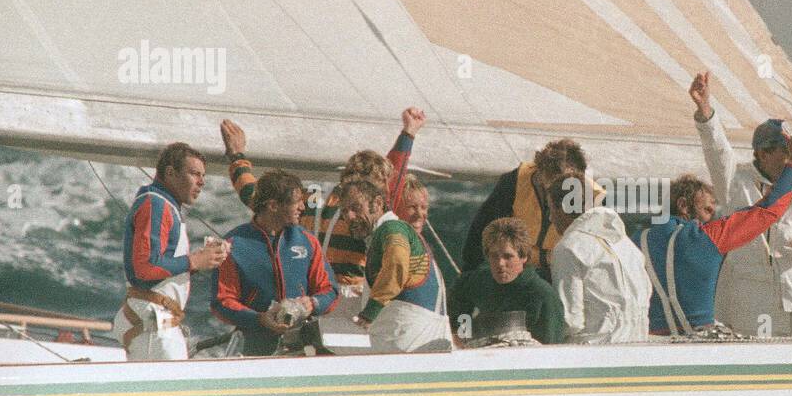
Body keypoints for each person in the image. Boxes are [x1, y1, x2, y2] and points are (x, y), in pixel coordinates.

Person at [690, 72, 792, 337]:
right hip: (756, 303)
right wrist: (705, 111)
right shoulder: (736, 182)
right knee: (762, 372)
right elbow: (717, 150)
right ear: (763, 152)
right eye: (786, 150)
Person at [219, 108, 424, 287]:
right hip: (348, 300)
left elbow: (254, 196)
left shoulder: (309, 199)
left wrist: (237, 156)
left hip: (307, 293)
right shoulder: (366, 214)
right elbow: (396, 180)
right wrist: (408, 134)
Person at [642, 133, 792, 338]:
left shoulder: (634, 240)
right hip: (698, 345)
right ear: (684, 206)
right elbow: (768, 210)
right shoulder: (705, 238)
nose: (711, 217)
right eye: (707, 211)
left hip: (649, 343)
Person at [112, 142, 228, 360]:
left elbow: (155, 270)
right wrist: (193, 261)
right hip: (153, 326)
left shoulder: (164, 204)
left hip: (156, 323)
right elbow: (145, 268)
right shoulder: (156, 204)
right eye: (194, 174)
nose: (201, 182)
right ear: (171, 173)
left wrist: (202, 261)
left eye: (203, 176)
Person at [212, 170, 339, 356]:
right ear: (273, 205)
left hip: (303, 346)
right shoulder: (233, 244)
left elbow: (330, 290)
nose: (303, 207)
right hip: (255, 344)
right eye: (297, 202)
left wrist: (312, 303)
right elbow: (222, 302)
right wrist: (260, 319)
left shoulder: (307, 241)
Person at [337, 178, 452, 353]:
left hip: (410, 343)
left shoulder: (392, 229)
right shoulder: (390, 234)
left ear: (377, 203)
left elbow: (396, 264)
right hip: (418, 341)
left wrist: (369, 313)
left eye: (355, 208)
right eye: (344, 211)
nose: (349, 217)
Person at [461, 139, 600, 280]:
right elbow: (480, 231)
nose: (563, 191)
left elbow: (591, 253)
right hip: (518, 267)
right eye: (556, 184)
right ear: (540, 174)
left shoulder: (590, 197)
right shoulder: (513, 183)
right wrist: (468, 275)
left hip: (560, 269)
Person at [544, 171, 652, 344]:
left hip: (595, 355)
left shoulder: (568, 248)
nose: (550, 217)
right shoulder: (628, 246)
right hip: (638, 348)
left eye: (550, 208)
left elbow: (570, 320)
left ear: (563, 208)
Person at [448, 218, 566, 346]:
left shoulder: (544, 297)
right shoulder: (477, 281)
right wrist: (464, 335)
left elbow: (551, 351)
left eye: (508, 256)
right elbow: (457, 304)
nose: (500, 263)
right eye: (494, 256)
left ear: (524, 257)